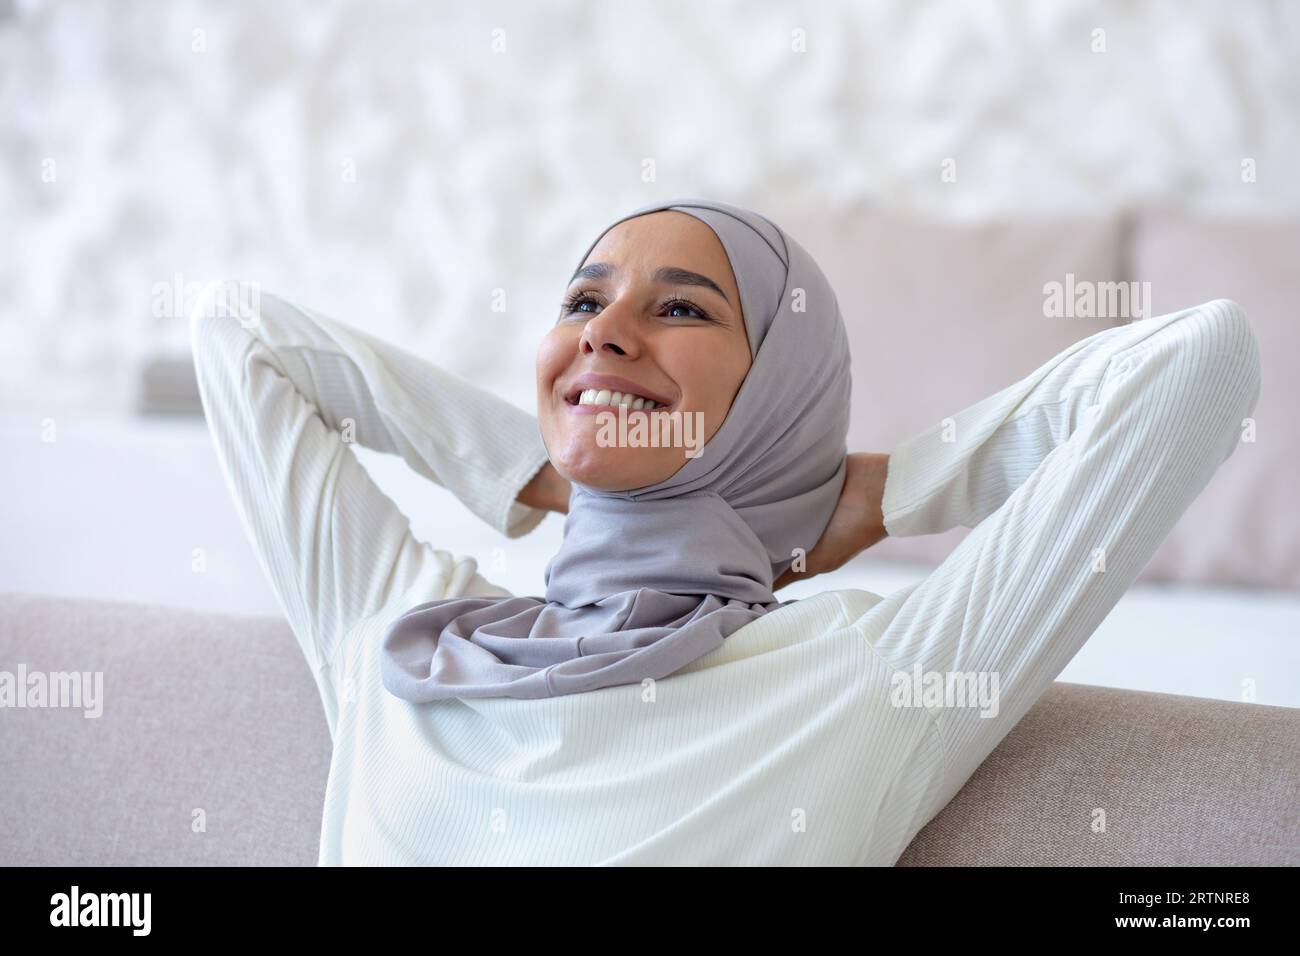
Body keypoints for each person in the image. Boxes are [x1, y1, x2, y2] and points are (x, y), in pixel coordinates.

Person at [190, 198, 1260, 865]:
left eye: (683, 308)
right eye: (581, 302)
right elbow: (238, 330)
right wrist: (542, 470)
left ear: (778, 401)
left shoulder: (865, 675)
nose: (604, 332)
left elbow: (1201, 363)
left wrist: (868, 499)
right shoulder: (403, 640)